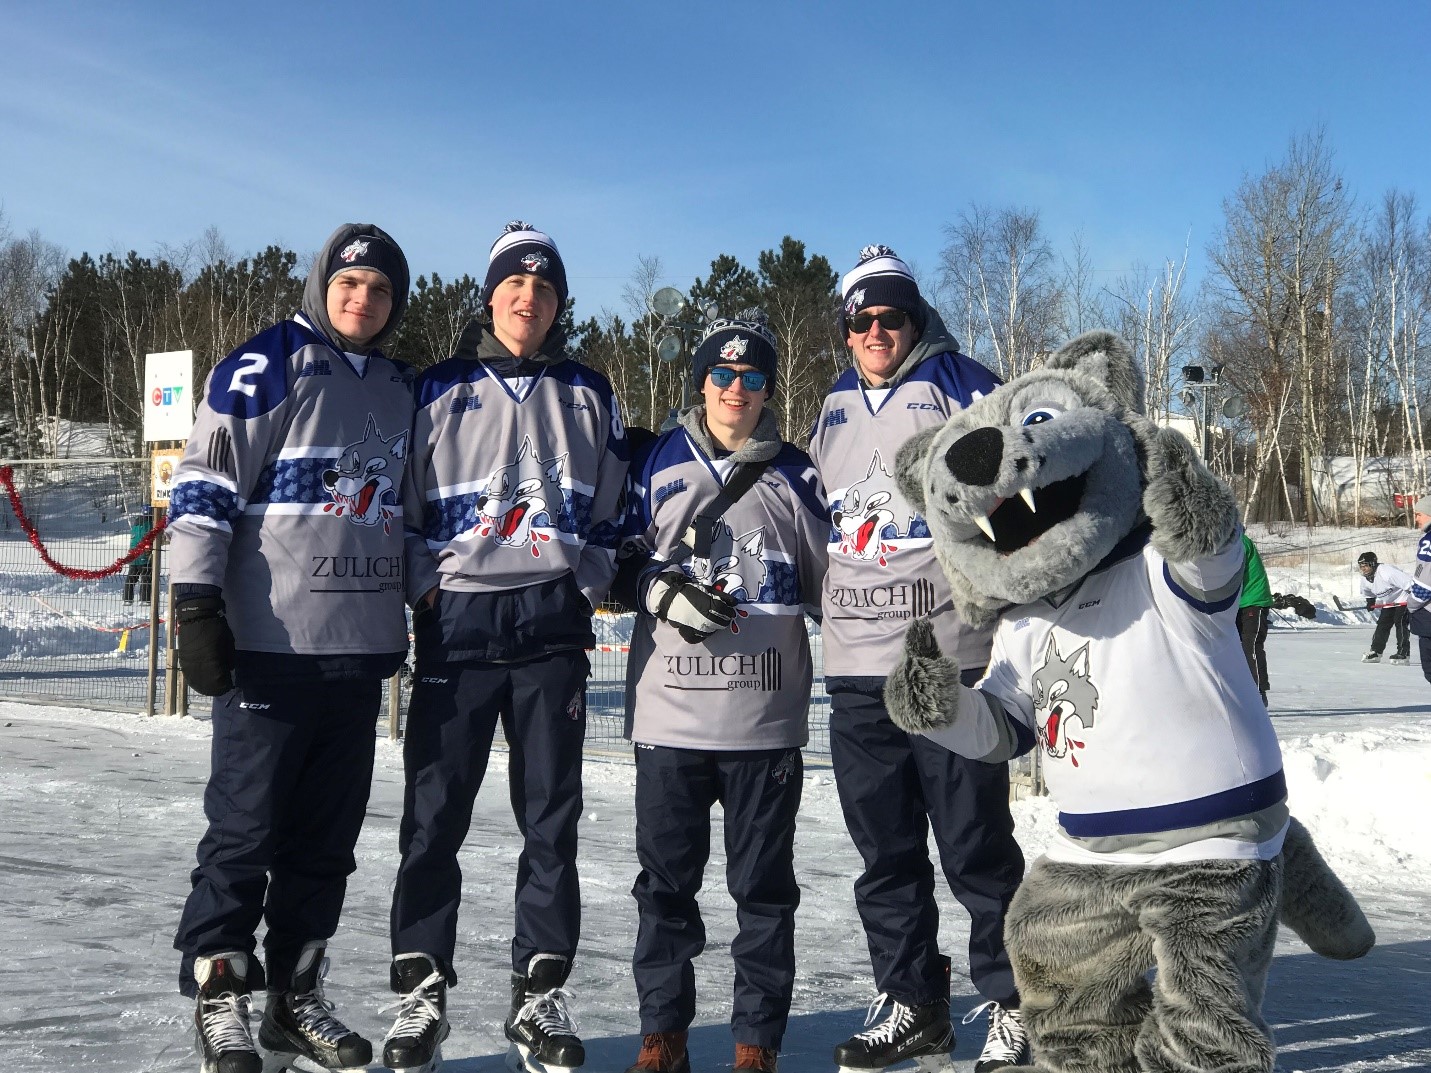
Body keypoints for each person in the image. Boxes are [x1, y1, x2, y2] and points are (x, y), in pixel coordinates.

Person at [168, 224, 413, 1073]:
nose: (363, 299)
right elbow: (204, 480)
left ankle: (292, 997)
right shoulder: (267, 360)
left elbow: (404, 514)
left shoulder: (394, 384)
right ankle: (220, 992)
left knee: (323, 843)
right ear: (322, 284)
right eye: (350, 283)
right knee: (244, 833)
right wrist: (195, 599)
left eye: (381, 289)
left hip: (356, 655)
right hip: (271, 647)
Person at [384, 222, 629, 1073]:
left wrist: (584, 577)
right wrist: (426, 582)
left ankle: (539, 992)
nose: (529, 299)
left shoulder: (591, 390)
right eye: (514, 286)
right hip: (457, 624)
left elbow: (615, 508)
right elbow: (402, 506)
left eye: (545, 287)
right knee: (434, 812)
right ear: (490, 295)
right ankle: (420, 991)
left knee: (550, 817)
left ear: (559, 303)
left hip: (550, 626)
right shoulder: (436, 387)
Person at [806, 246, 1028, 1073]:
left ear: (912, 318)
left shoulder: (962, 383)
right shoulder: (830, 403)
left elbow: (1015, 499)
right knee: (885, 849)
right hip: (857, 668)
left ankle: (1014, 1001)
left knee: (973, 842)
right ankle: (912, 1000)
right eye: (859, 320)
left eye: (888, 317)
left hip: (946, 661)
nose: (874, 331)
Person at [620, 311, 829, 1073]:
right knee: (664, 891)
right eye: (721, 373)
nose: (734, 388)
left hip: (762, 723)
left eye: (750, 377)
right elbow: (616, 559)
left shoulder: (797, 473)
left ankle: (754, 1044)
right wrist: (657, 589)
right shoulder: (654, 461)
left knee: (763, 894)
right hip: (669, 715)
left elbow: (830, 581)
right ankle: (661, 1034)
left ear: (767, 386)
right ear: (699, 380)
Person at [1355, 550, 1411, 664]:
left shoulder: (1387, 572)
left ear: (1373, 564)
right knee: (1382, 625)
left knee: (1400, 622)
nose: (1363, 569)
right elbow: (1367, 591)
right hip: (1389, 602)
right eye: (1361, 566)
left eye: (1365, 565)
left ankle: (1403, 653)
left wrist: (1417, 598)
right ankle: (1376, 652)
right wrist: (1370, 601)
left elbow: (1408, 583)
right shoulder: (1365, 579)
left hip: (1403, 598)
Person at [1237, 533, 1274, 704]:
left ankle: (1259, 693)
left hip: (1253, 601)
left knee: (1250, 645)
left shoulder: (1238, 541)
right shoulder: (1228, 540)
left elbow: (1232, 571)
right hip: (1239, 603)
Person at [1403, 498, 1431, 685]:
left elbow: (1424, 587)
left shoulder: (1429, 541)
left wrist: (1410, 604)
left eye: (1419, 514)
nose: (1417, 519)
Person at [122, 507, 154, 604]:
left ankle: (127, 598)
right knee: (146, 577)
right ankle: (145, 599)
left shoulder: (136, 523)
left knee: (131, 577)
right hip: (145, 554)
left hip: (134, 555)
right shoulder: (151, 523)